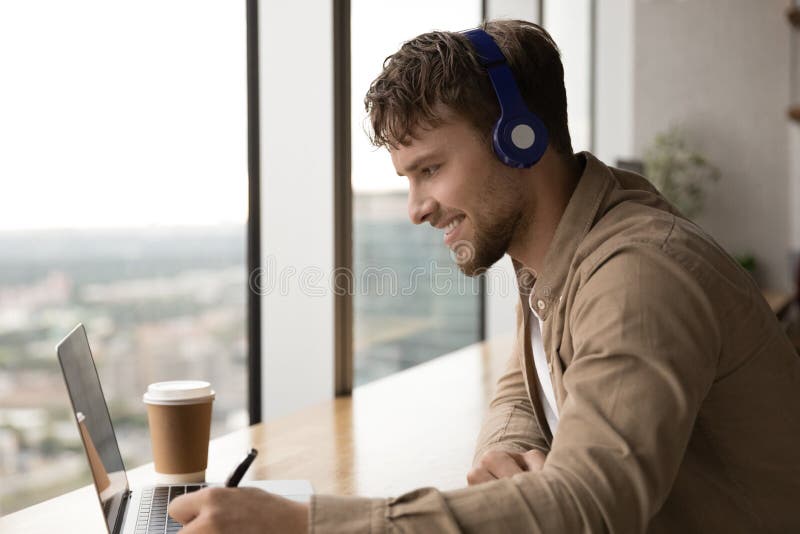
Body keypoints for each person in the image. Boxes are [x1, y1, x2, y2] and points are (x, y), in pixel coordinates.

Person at [168, 19, 800, 533]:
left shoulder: (637, 275)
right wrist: (506, 447)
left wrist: (302, 526)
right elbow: (523, 386)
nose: (416, 208)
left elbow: (590, 505)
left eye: (430, 169)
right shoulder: (557, 254)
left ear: (517, 139)